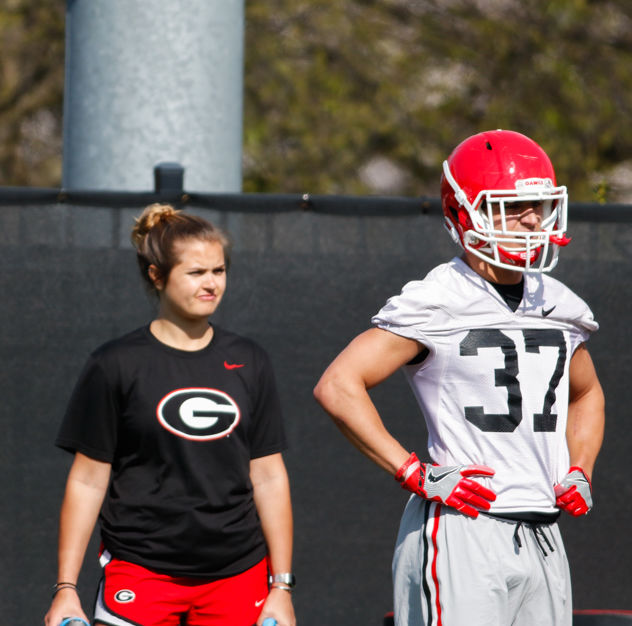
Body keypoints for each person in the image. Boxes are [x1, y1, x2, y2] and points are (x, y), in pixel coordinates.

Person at [314, 129, 605, 626]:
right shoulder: (438, 299)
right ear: (464, 214)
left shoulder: (558, 304)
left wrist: (580, 468)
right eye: (512, 207)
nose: (532, 218)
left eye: (536, 203)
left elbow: (586, 392)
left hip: (542, 530)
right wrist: (413, 471)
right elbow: (338, 384)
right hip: (464, 528)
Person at [44, 204, 296, 626]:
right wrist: (65, 589)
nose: (211, 283)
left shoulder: (250, 361)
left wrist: (282, 587)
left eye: (218, 271)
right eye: (196, 273)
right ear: (156, 276)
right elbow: (87, 481)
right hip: (140, 571)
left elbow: (269, 475)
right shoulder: (115, 364)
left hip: (238, 575)